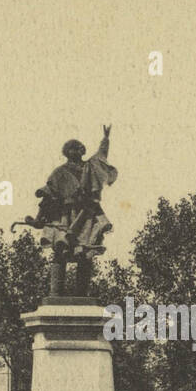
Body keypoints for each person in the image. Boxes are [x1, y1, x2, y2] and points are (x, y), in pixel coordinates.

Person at [31, 125, 117, 296]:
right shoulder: (59, 173)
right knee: (61, 252)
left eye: (80, 147)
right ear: (68, 152)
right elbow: (47, 196)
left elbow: (101, 156)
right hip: (65, 217)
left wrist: (106, 139)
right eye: (74, 147)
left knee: (85, 254)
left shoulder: (90, 167)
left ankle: (81, 295)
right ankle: (55, 294)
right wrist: (38, 219)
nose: (79, 149)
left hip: (86, 217)